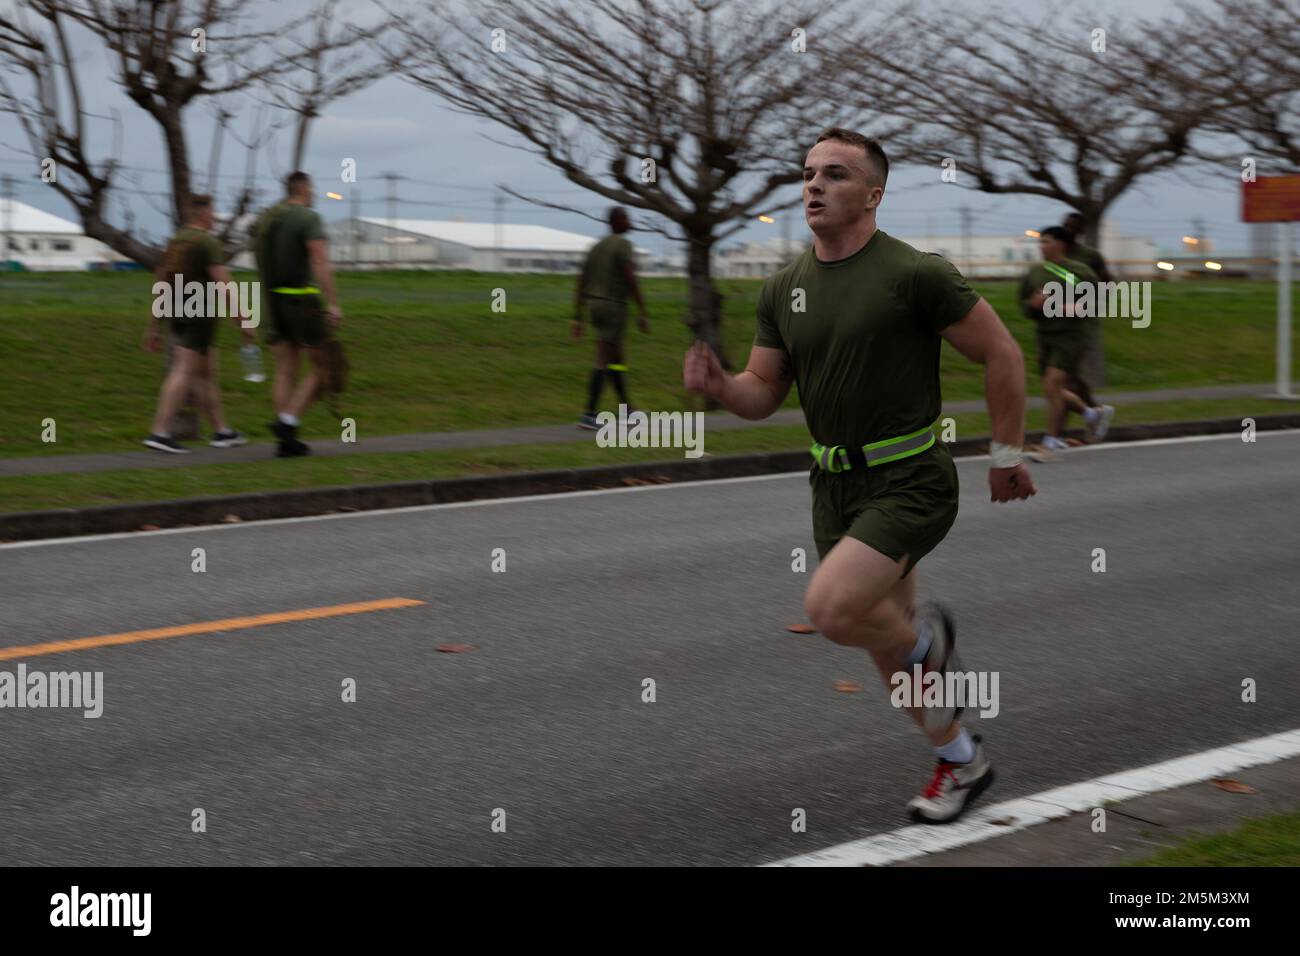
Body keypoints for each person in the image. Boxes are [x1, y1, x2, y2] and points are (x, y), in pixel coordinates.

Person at [684, 128, 1036, 823]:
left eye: (835, 175)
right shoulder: (784, 288)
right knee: (881, 646)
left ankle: (931, 646)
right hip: (833, 486)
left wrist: (1006, 454)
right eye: (809, 173)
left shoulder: (914, 274)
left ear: (872, 194)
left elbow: (1001, 352)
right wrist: (722, 385)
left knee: (832, 610)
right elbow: (764, 391)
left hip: (910, 476)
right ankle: (964, 761)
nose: (813, 186)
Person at [142, 194, 252, 453]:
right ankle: (159, 431)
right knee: (183, 370)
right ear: (203, 214)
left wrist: (154, 326)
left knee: (206, 374)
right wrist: (244, 320)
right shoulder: (206, 242)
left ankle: (220, 431)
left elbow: (161, 282)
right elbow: (224, 285)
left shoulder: (176, 240)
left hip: (177, 309)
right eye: (213, 213)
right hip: (199, 311)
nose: (214, 218)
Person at [252, 171, 341, 457]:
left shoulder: (270, 219)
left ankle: (285, 443)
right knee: (325, 365)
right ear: (304, 189)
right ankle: (287, 422)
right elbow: (319, 260)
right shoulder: (307, 218)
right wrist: (333, 302)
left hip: (271, 300)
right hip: (302, 301)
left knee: (285, 369)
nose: (314, 194)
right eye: (313, 189)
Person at [1020, 227, 1114, 460]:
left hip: (1072, 336)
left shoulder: (1079, 271)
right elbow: (1024, 306)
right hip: (1046, 336)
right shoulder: (1035, 273)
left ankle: (1050, 443)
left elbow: (1097, 302)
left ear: (1061, 244)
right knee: (1053, 390)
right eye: (1040, 242)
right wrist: (1033, 305)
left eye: (1047, 242)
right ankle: (1092, 414)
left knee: (1052, 386)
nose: (1042, 246)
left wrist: (1058, 305)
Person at [572, 207, 649, 429]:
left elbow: (581, 281)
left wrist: (578, 317)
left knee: (617, 360)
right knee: (604, 359)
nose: (630, 222)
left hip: (594, 305)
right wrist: (642, 311)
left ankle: (627, 409)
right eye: (626, 218)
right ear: (616, 222)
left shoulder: (595, 247)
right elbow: (630, 276)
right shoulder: (623, 244)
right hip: (613, 307)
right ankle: (589, 413)